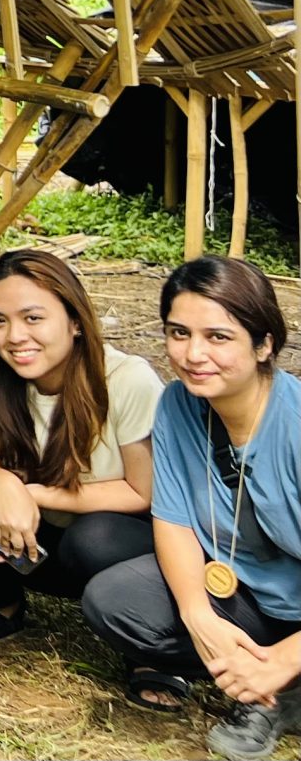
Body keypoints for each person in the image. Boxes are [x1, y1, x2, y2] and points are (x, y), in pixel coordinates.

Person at [84, 256, 301, 755]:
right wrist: (198, 615)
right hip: (250, 599)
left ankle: (274, 688)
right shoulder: (181, 404)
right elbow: (174, 520)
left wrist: (287, 657)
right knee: (115, 600)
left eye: (218, 337)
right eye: (178, 333)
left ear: (264, 344)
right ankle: (264, 679)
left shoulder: (290, 425)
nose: (193, 354)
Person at [0, 250, 158, 662]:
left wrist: (32, 494)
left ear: (75, 321)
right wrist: (4, 484)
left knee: (94, 537)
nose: (14, 336)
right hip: (32, 546)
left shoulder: (126, 379)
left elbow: (143, 493)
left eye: (33, 318)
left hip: (119, 547)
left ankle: (149, 645)